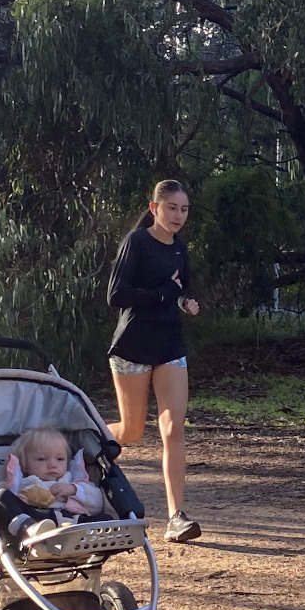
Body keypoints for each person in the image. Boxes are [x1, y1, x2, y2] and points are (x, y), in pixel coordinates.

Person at [105, 179, 202, 544]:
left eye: (184, 209)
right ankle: (87, 436)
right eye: (172, 208)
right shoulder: (137, 243)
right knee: (131, 431)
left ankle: (176, 517)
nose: (178, 215)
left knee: (173, 429)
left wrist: (186, 303)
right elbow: (117, 295)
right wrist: (165, 295)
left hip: (169, 346)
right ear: (154, 208)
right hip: (132, 345)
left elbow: (181, 293)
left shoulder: (180, 251)